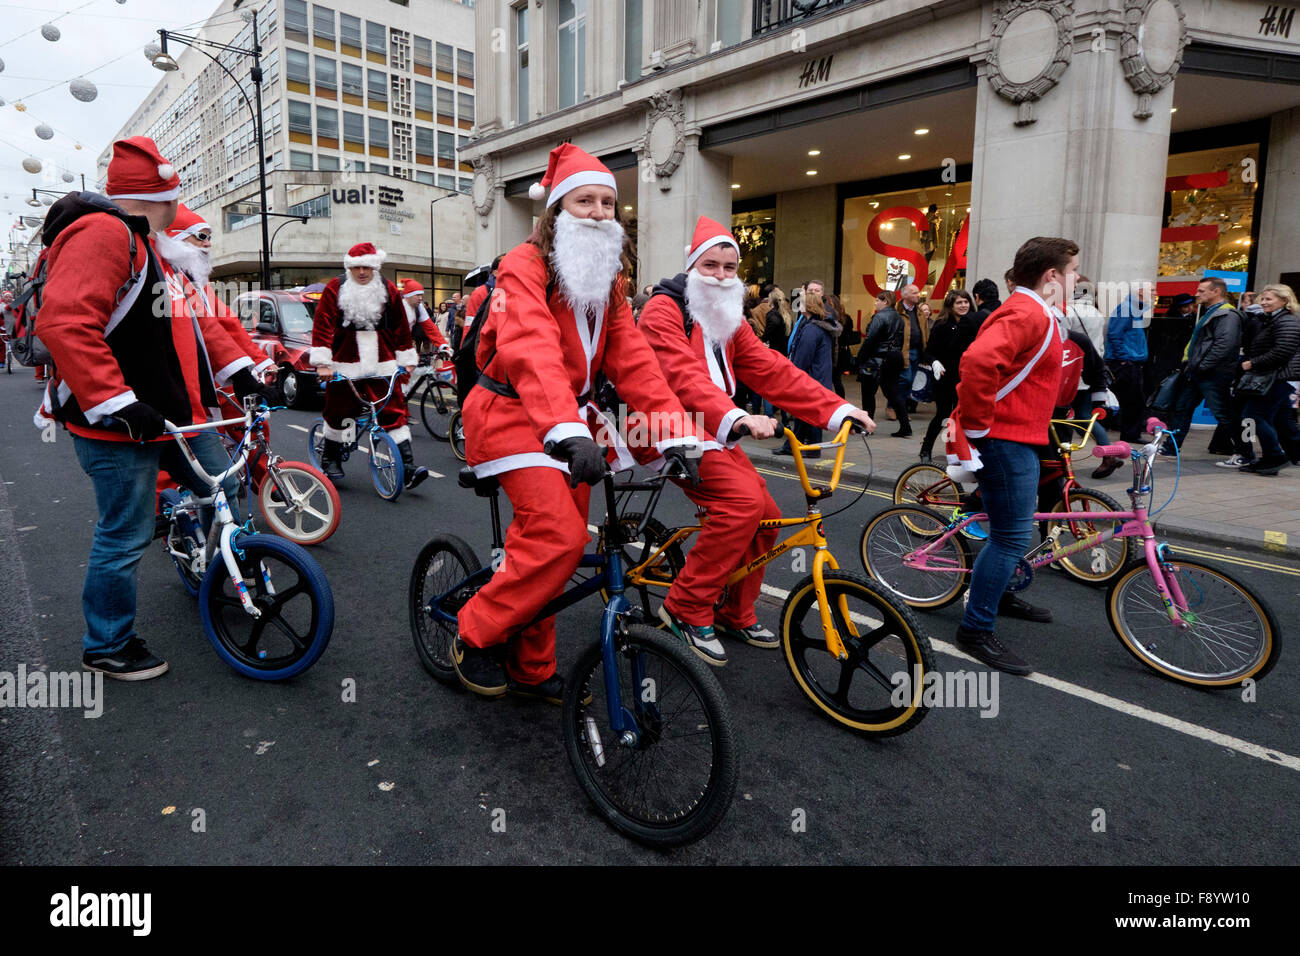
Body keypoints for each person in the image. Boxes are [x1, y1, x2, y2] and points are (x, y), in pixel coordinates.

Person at [453, 143, 699, 702]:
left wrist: (677, 431)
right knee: (559, 539)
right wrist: (565, 429)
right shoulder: (524, 265)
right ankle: (475, 632)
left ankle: (533, 669)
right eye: (585, 200)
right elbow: (532, 350)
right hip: (511, 414)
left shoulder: (608, 280)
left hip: (571, 423)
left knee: (553, 550)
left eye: (608, 203)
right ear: (557, 210)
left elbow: (633, 361)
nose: (599, 213)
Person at [38, 137, 271, 680]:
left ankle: (227, 575)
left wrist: (247, 374)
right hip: (119, 426)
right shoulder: (105, 234)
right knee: (125, 532)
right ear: (162, 197)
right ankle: (107, 644)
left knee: (227, 490)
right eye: (176, 195)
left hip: (176, 416)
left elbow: (203, 328)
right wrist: (116, 402)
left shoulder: (153, 250)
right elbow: (65, 322)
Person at [639, 218, 874, 663]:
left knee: (765, 513)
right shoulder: (663, 310)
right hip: (669, 427)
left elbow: (770, 368)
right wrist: (737, 416)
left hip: (712, 426)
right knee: (741, 503)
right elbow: (679, 375)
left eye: (730, 267)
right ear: (691, 266)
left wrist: (839, 410)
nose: (722, 275)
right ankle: (686, 607)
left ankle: (735, 609)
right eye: (711, 265)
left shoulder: (728, 316)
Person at [950, 236, 1080, 676]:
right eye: (1073, 271)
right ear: (1051, 276)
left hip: (1018, 436)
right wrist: (983, 425)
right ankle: (975, 628)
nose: (1076, 278)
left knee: (1003, 532)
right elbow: (976, 364)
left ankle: (998, 596)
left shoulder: (1035, 311)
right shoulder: (1026, 311)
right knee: (1010, 538)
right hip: (1006, 441)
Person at [310, 242, 430, 491]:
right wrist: (323, 362)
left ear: (375, 267)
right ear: (349, 267)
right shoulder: (337, 287)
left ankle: (407, 468)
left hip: (383, 362)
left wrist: (406, 360)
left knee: (394, 411)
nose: (362, 272)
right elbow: (322, 323)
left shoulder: (387, 288)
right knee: (340, 412)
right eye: (356, 268)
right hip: (345, 363)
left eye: (366, 267)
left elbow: (400, 326)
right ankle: (330, 457)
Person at [1165, 277, 1250, 464]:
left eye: (1202, 291)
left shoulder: (1227, 315)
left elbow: (1224, 346)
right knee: (1182, 409)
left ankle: (1246, 453)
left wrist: (1202, 366)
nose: (1197, 294)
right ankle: (1170, 447)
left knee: (1224, 414)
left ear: (1216, 292)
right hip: (1198, 372)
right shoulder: (1211, 312)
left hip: (1213, 374)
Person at [1236, 284, 1300, 475]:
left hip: (1278, 377)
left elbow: (1282, 351)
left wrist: (1252, 363)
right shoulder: (1273, 320)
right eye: (1262, 299)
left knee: (1253, 416)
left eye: (1268, 299)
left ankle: (1274, 456)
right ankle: (1271, 458)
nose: (1263, 302)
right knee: (1265, 417)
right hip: (1274, 377)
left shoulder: (1288, 321)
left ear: (1284, 300)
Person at [917, 288, 976, 464]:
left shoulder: (972, 323)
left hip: (965, 377)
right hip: (944, 377)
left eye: (966, 302)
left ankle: (957, 451)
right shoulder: (941, 325)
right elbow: (929, 351)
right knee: (942, 414)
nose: (963, 305)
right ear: (950, 305)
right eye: (959, 302)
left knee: (961, 416)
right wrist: (934, 362)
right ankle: (926, 448)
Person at [780, 289, 841, 453]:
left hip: (811, 378)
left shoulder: (811, 329)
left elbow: (803, 357)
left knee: (809, 415)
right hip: (818, 377)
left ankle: (811, 449)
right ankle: (795, 447)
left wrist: (792, 375)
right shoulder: (818, 326)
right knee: (805, 415)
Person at [855, 290, 908, 430]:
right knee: (893, 392)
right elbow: (901, 340)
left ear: (885, 301)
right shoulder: (899, 318)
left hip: (877, 359)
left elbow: (870, 340)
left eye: (878, 300)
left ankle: (867, 425)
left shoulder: (879, 318)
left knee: (868, 393)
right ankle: (905, 425)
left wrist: (860, 358)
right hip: (894, 356)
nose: (875, 303)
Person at [1104, 285, 1150, 443]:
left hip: (1130, 361)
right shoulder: (1126, 309)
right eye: (1152, 290)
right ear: (1141, 291)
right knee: (1133, 401)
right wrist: (1123, 359)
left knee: (1135, 400)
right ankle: (1130, 434)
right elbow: (1114, 334)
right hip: (1125, 362)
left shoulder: (1134, 310)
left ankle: (1131, 433)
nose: (1155, 293)